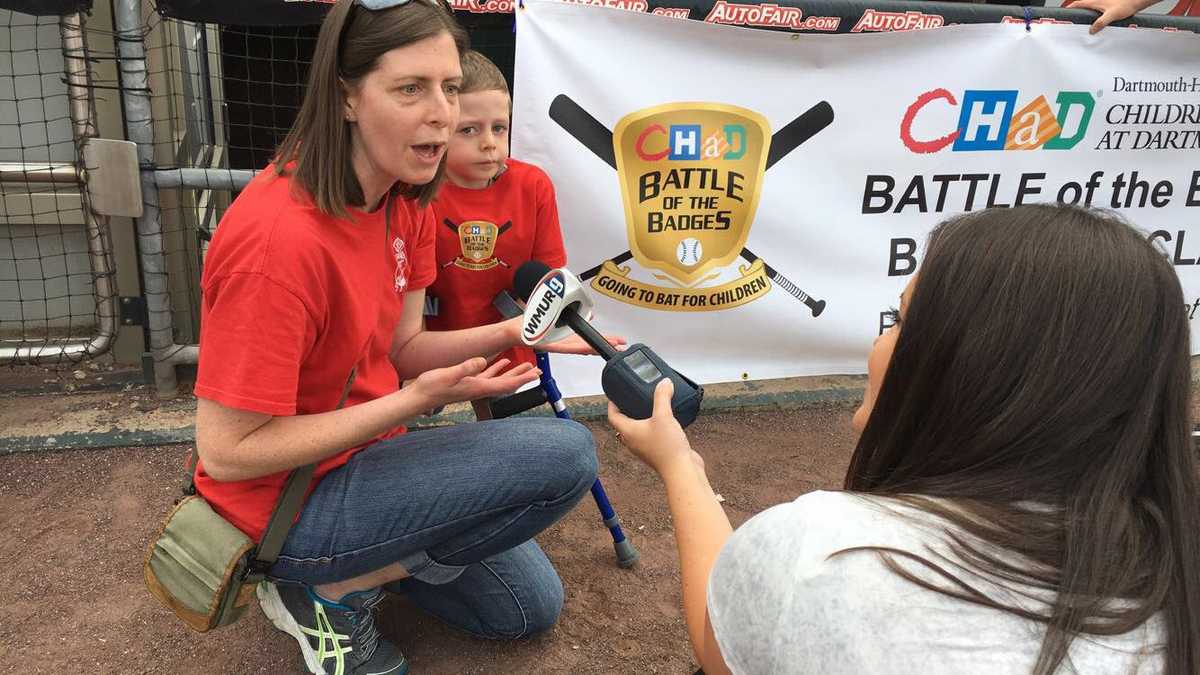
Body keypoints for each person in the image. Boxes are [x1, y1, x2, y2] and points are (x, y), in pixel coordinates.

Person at [192, 2, 620, 674]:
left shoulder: (404, 194)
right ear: (346, 97)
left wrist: (513, 331)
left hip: (372, 456)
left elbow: (403, 349)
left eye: (449, 87)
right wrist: (412, 401)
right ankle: (323, 584)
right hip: (284, 504)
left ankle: (365, 563)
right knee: (567, 453)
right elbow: (227, 453)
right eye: (410, 89)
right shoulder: (275, 244)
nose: (442, 113)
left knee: (525, 607)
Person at [609, 204, 1200, 675]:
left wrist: (678, 465)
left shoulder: (819, 556)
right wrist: (682, 463)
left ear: (972, 369)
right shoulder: (1173, 575)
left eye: (902, 322)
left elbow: (724, 650)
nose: (880, 343)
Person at [424, 50, 567, 420]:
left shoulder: (533, 185)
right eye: (469, 130)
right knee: (400, 422)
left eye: (499, 128)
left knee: (505, 428)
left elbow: (550, 277)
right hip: (429, 345)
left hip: (507, 336)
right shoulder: (418, 192)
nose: (488, 142)